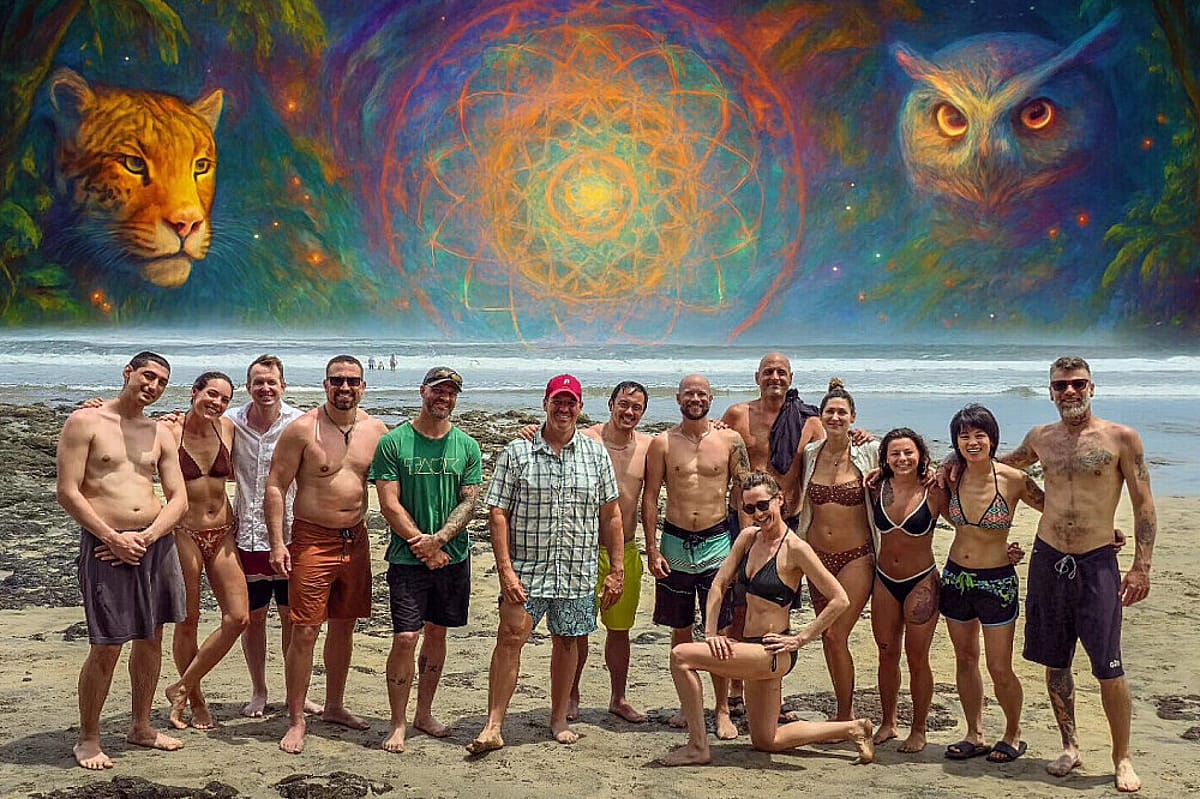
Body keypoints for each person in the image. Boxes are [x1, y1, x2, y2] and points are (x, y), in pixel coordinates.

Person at [1003, 356, 1156, 792]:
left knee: (1109, 666)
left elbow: (1144, 504)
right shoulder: (1041, 438)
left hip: (1096, 562)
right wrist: (955, 462)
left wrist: (1141, 565)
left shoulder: (1121, 438)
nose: (1069, 392)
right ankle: (1070, 746)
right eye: (1061, 385)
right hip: (1049, 559)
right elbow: (1005, 469)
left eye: (1078, 384)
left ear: (1092, 387)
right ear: (1050, 391)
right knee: (1055, 661)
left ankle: (1121, 757)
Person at [661, 472, 874, 766]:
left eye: (763, 505)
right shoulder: (748, 538)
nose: (758, 514)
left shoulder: (796, 548)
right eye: (749, 509)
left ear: (779, 499)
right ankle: (853, 728)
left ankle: (698, 746)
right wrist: (711, 632)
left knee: (681, 656)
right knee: (767, 740)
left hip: (771, 652)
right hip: (748, 647)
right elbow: (719, 584)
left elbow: (840, 599)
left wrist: (800, 638)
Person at [467, 374, 624, 752]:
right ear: (546, 403)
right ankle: (493, 725)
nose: (564, 408)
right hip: (527, 570)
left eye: (571, 402)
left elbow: (611, 515)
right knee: (510, 639)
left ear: (580, 407)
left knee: (568, 642)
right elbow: (498, 513)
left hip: (576, 570)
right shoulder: (517, 452)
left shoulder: (595, 453)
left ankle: (557, 718)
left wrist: (616, 570)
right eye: (558, 400)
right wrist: (505, 570)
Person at [56, 351, 188, 769]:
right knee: (107, 645)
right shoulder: (86, 422)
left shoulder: (159, 433)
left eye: (162, 382)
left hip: (156, 544)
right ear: (128, 372)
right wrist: (112, 537)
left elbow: (178, 497)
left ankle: (141, 726)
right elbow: (68, 491)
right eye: (147, 375)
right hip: (104, 547)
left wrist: (147, 536)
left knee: (152, 640)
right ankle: (89, 738)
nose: (153, 385)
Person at [266, 355, 388, 754]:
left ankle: (334, 705)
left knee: (344, 624)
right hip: (312, 539)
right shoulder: (302, 430)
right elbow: (276, 487)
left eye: (352, 381)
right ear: (325, 384)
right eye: (337, 380)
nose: (345, 387)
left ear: (364, 386)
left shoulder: (376, 431)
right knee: (304, 629)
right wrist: (278, 542)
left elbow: (395, 481)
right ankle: (297, 718)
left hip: (356, 539)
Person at [371, 366, 482, 752]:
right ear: (423, 392)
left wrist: (441, 541)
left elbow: (470, 500)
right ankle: (397, 722)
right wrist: (422, 544)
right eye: (438, 390)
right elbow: (388, 502)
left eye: (451, 392)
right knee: (405, 637)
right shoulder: (394, 442)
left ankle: (424, 713)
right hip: (407, 558)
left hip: (453, 556)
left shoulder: (467, 445)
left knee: (437, 633)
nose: (444, 397)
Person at [643, 374, 750, 740]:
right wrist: (652, 548)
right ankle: (689, 707)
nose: (695, 398)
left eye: (701, 394)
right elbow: (649, 497)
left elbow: (745, 491)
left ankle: (722, 709)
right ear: (677, 398)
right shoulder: (662, 443)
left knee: (718, 630)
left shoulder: (730, 441)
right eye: (689, 393)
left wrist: (748, 544)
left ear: (711, 398)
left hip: (717, 541)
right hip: (674, 543)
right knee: (681, 630)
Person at [940, 404, 1042, 764]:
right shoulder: (950, 477)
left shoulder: (1012, 479)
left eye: (979, 435)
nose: (972, 442)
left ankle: (1013, 733)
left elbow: (1055, 507)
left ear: (993, 439)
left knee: (1000, 667)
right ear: (956, 442)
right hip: (955, 579)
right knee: (965, 659)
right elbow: (921, 495)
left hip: (997, 582)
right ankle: (975, 732)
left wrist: (1103, 531)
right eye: (964, 436)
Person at [161, 372, 250, 730]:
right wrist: (95, 405)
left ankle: (181, 686)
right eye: (211, 394)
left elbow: (273, 425)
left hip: (224, 532)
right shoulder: (167, 430)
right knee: (189, 621)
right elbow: (124, 428)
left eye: (225, 399)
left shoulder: (227, 429)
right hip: (184, 533)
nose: (217, 402)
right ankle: (195, 701)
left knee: (238, 618)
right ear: (194, 391)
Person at [227, 354, 315, 718]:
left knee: (293, 618)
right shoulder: (230, 421)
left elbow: (351, 425)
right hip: (246, 536)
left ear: (283, 386)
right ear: (248, 386)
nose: (265, 388)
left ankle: (298, 694)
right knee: (255, 618)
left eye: (271, 382)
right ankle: (259, 690)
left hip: (293, 533)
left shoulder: (300, 422)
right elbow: (187, 426)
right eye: (258, 382)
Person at [795, 379, 880, 722]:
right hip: (817, 558)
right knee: (830, 641)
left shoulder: (869, 451)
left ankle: (845, 714)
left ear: (853, 417)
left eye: (842, 412)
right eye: (829, 411)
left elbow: (910, 469)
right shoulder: (810, 453)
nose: (835, 417)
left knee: (834, 632)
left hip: (856, 556)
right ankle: (843, 709)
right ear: (821, 415)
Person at [571, 381, 653, 723]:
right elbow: (549, 435)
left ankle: (618, 697)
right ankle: (570, 694)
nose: (629, 412)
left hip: (627, 549)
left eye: (636, 407)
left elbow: (650, 501)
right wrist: (530, 429)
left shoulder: (649, 447)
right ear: (610, 404)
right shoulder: (586, 439)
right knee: (576, 628)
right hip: (584, 548)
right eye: (623, 404)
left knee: (620, 630)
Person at [868, 428, 944, 752]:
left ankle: (919, 728)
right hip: (885, 580)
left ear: (920, 455)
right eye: (895, 453)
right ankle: (889, 721)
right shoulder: (875, 487)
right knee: (886, 654)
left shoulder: (936, 490)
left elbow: (969, 521)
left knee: (917, 657)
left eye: (908, 453)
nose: (902, 459)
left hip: (921, 581)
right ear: (885, 458)